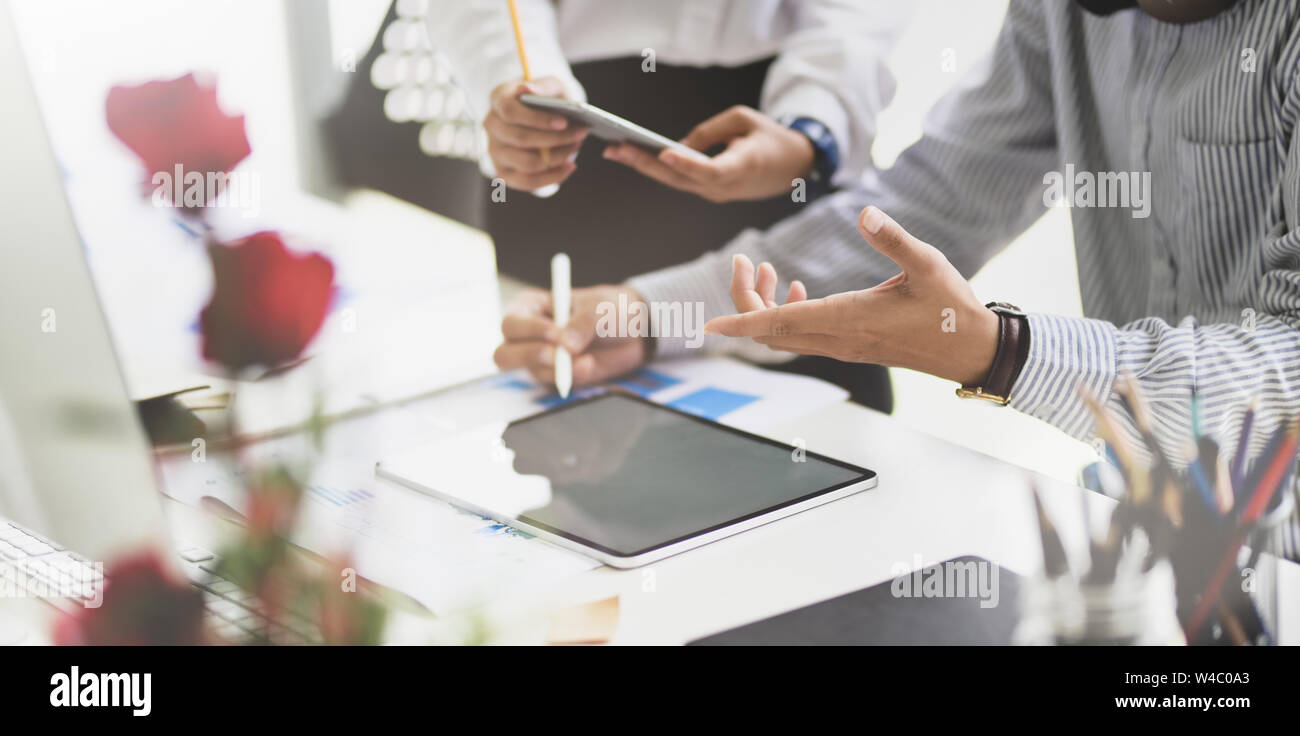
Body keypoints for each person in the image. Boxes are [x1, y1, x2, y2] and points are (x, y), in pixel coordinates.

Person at [493, 0, 1300, 557]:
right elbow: (934, 198)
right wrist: (649, 313)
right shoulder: (1068, 15)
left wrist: (1001, 352)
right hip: (1139, 533)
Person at [426, 0, 911, 410]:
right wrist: (519, 84)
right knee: (578, 437)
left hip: (784, 143)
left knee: (827, 435)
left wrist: (814, 127)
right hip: (575, 143)